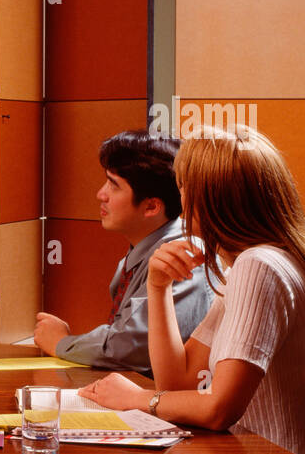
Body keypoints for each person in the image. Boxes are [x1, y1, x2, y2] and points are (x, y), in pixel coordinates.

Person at [80, 125, 305, 454]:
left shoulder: (259, 266)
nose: (180, 199)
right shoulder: (249, 262)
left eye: (184, 187)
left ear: (211, 199)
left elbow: (218, 410)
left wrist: (136, 398)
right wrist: (158, 286)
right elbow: (176, 383)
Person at [33, 131, 211, 375]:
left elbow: (131, 347)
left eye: (113, 185)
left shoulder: (184, 256)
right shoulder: (141, 252)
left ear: (151, 206)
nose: (101, 194)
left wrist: (61, 343)